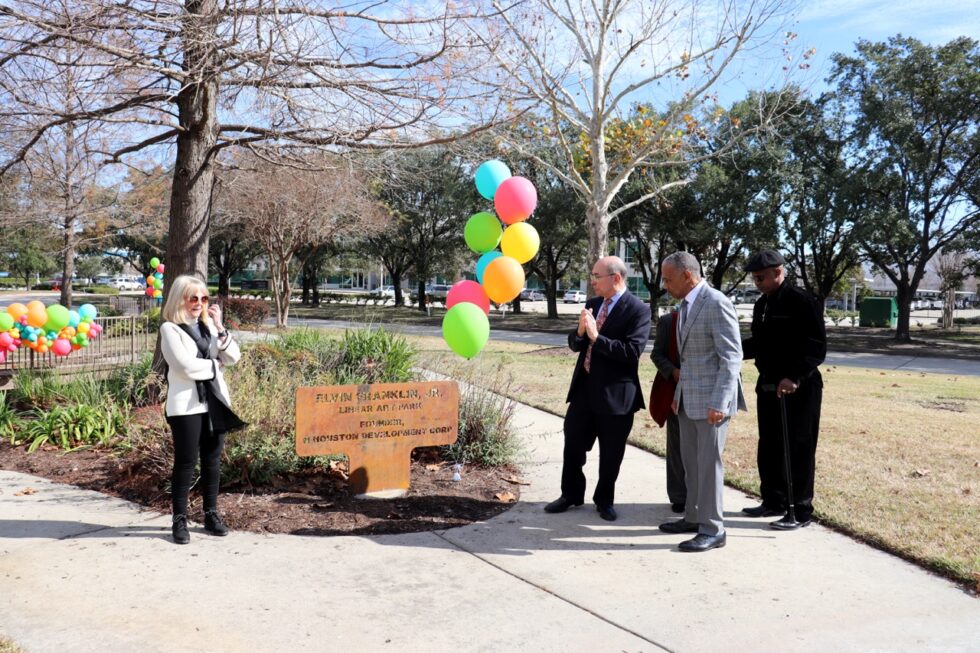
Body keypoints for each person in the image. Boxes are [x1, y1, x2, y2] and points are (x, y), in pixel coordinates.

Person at [544, 256, 651, 522]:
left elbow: (631, 352)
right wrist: (580, 334)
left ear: (615, 278)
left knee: (611, 453)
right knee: (573, 445)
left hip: (616, 395)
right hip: (584, 389)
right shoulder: (593, 304)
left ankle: (604, 501)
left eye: (596, 276)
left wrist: (595, 337)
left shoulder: (638, 309)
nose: (592, 281)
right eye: (592, 275)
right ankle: (570, 494)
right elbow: (576, 344)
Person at [658, 251, 745, 552]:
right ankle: (693, 517)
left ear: (687, 275)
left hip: (711, 405)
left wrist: (720, 401)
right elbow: (690, 359)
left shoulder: (716, 302)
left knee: (709, 467)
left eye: (668, 279)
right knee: (691, 466)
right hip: (687, 402)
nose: (665, 285)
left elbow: (731, 356)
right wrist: (677, 397)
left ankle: (713, 529)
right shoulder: (685, 305)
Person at [741, 250, 826, 529]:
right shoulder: (762, 305)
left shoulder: (801, 301)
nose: (757, 282)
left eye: (761, 277)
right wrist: (731, 351)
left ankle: (800, 510)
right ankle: (773, 500)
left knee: (798, 447)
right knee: (770, 446)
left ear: (778, 271)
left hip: (798, 387)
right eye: (754, 278)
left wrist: (794, 376)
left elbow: (816, 346)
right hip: (768, 384)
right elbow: (759, 343)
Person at [160, 274, 245, 545]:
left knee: (212, 460)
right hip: (185, 406)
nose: (198, 303)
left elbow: (233, 357)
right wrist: (213, 366)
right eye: (192, 298)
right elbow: (184, 366)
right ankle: (179, 519)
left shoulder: (208, 327)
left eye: (203, 298)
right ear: (179, 299)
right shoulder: (170, 329)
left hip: (214, 402)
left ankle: (211, 514)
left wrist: (220, 327)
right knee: (186, 462)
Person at [649, 308, 685, 513]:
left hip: (705, 393)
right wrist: (672, 371)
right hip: (676, 392)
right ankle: (679, 496)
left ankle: (702, 497)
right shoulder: (669, 321)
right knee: (677, 447)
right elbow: (657, 353)